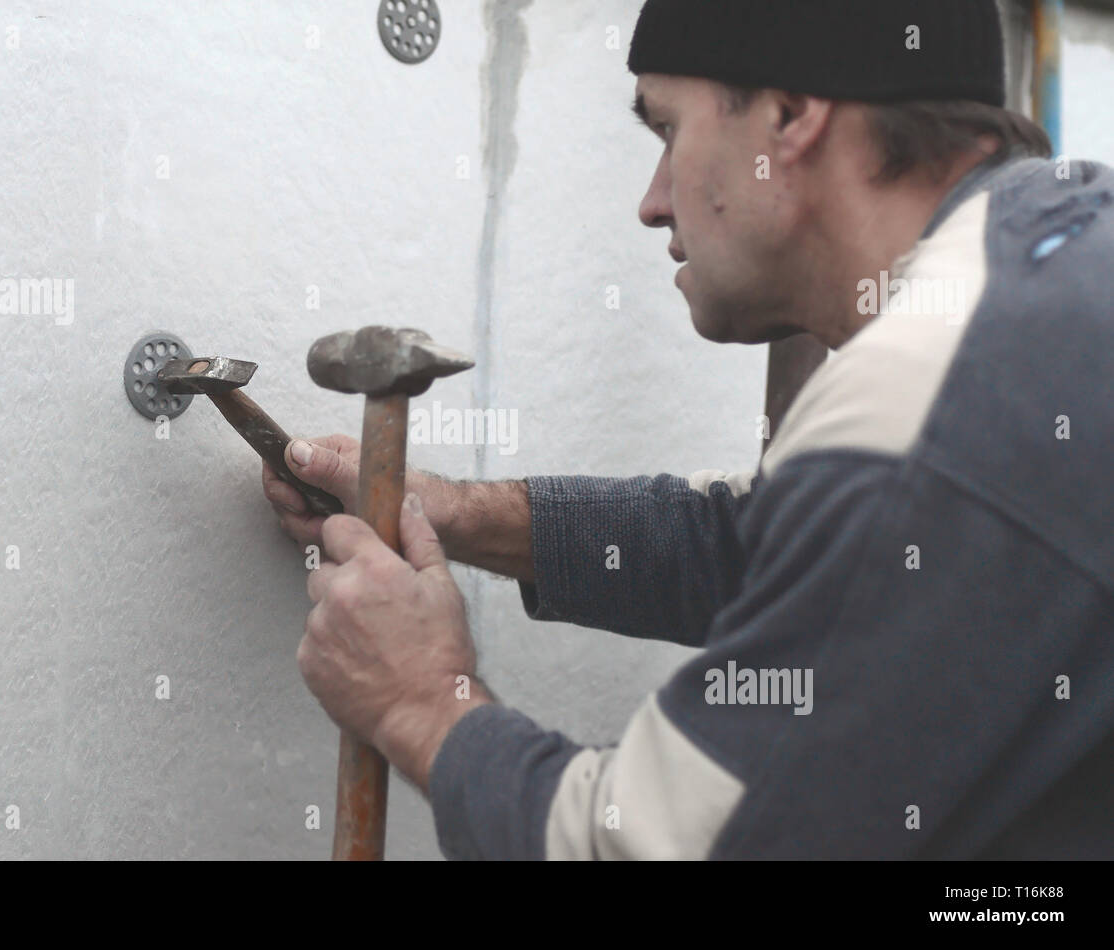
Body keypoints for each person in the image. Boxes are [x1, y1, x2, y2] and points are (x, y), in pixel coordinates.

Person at [265, 0, 1114, 858]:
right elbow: (766, 540)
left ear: (790, 114)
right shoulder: (1055, 251)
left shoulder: (932, 405)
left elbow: (659, 847)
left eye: (668, 130)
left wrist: (417, 701)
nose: (651, 201)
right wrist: (453, 512)